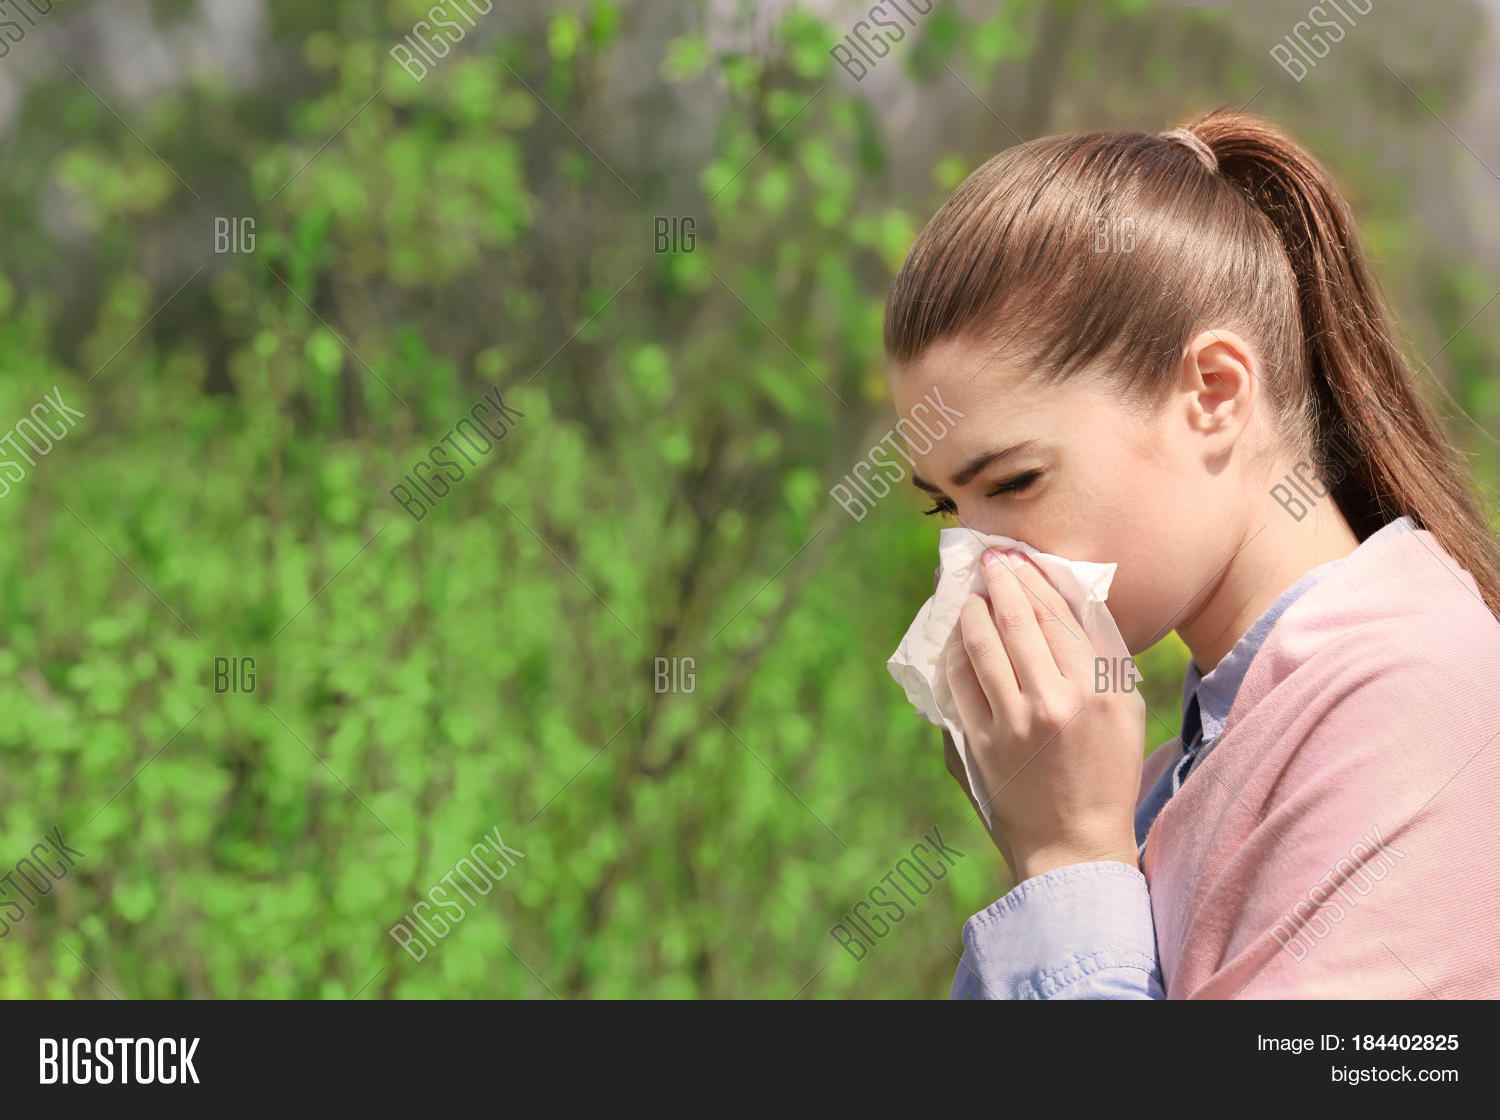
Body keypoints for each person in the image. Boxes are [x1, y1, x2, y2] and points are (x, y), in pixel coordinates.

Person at [884, 109, 1500, 998]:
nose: (980, 562)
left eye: (1015, 483)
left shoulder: (1421, 703)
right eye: (949, 507)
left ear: (1213, 394)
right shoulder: (1180, 770)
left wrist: (1068, 854)